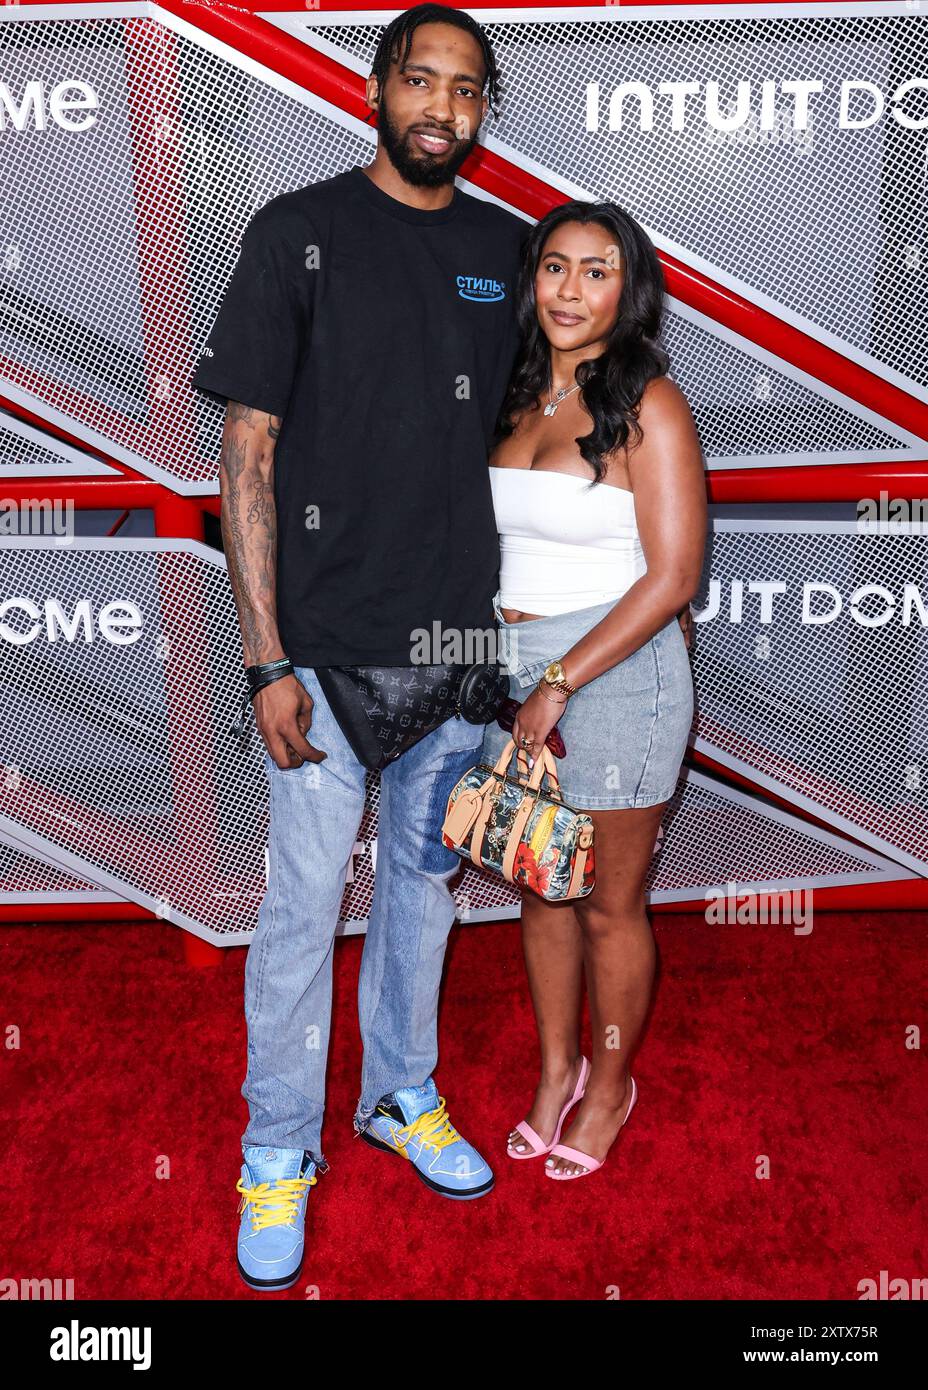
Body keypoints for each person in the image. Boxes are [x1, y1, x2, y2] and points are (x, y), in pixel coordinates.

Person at [192, 4, 529, 1290]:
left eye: (465, 89)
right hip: (322, 649)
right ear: (375, 88)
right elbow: (248, 456)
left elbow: (536, 450)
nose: (440, 106)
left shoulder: (511, 252)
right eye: (419, 80)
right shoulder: (297, 231)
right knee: (295, 912)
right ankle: (276, 1147)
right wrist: (265, 658)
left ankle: (400, 1094)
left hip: (458, 647)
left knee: (422, 894)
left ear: (483, 111)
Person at [479, 199, 707, 1180]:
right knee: (540, 889)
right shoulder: (512, 391)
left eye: (597, 270)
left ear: (630, 288)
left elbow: (673, 576)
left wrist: (560, 681)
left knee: (611, 905)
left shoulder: (648, 403)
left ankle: (610, 1087)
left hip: (617, 676)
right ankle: (556, 1068)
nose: (571, 289)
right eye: (555, 267)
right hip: (521, 672)